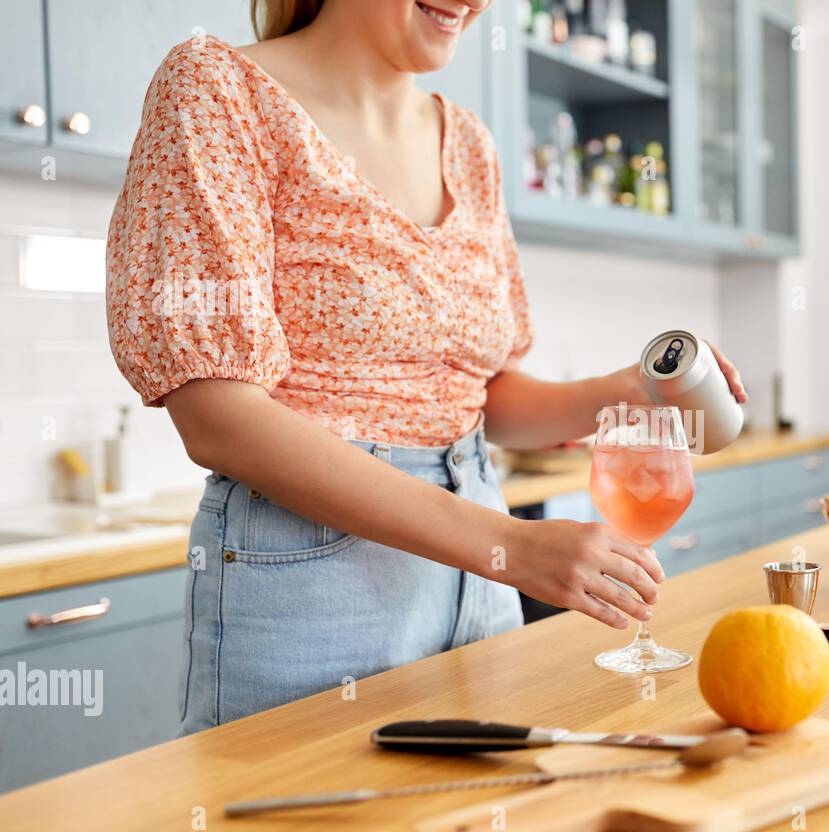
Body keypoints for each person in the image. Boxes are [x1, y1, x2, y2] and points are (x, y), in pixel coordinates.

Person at [105, 0, 747, 733]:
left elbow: (479, 396)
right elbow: (216, 415)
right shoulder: (217, 91)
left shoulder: (469, 144)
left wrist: (632, 390)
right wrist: (509, 547)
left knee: (476, 830)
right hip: (312, 590)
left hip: (481, 572)